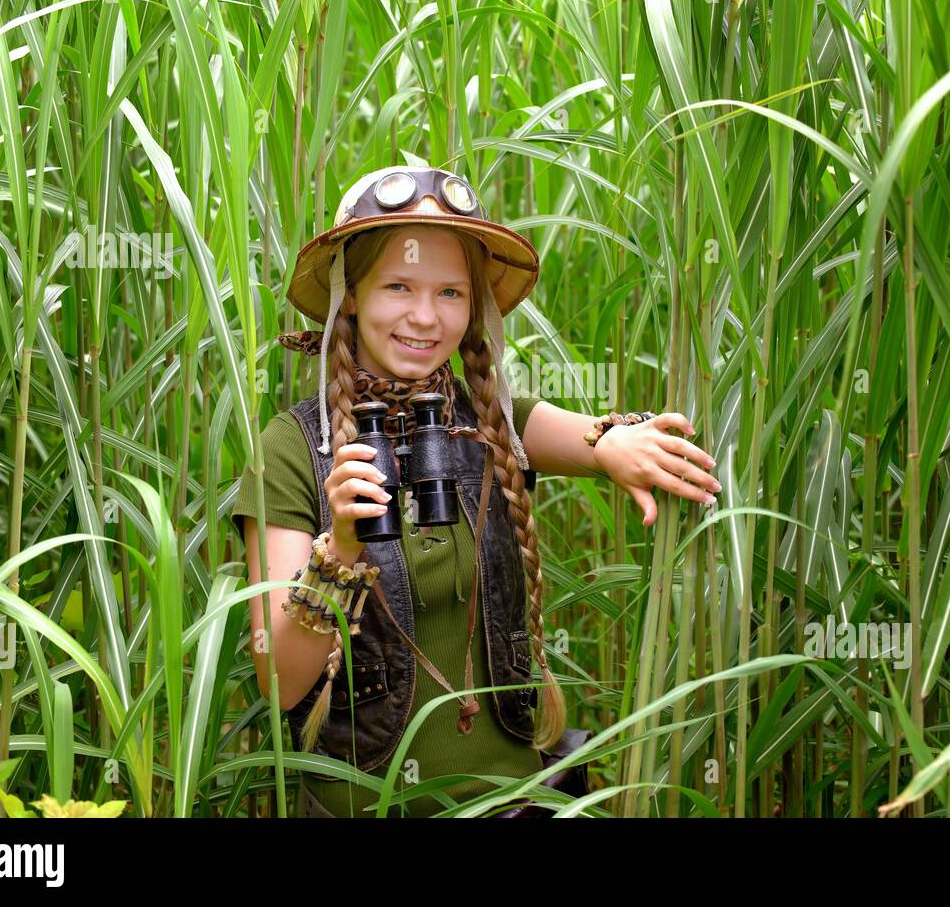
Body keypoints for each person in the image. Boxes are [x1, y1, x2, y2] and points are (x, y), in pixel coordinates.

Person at [231, 165, 720, 816]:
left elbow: (594, 437)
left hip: (517, 802)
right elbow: (280, 679)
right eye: (398, 286)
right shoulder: (292, 449)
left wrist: (620, 440)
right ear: (351, 295)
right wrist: (341, 550)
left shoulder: (491, 421)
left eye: (451, 293)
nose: (425, 316)